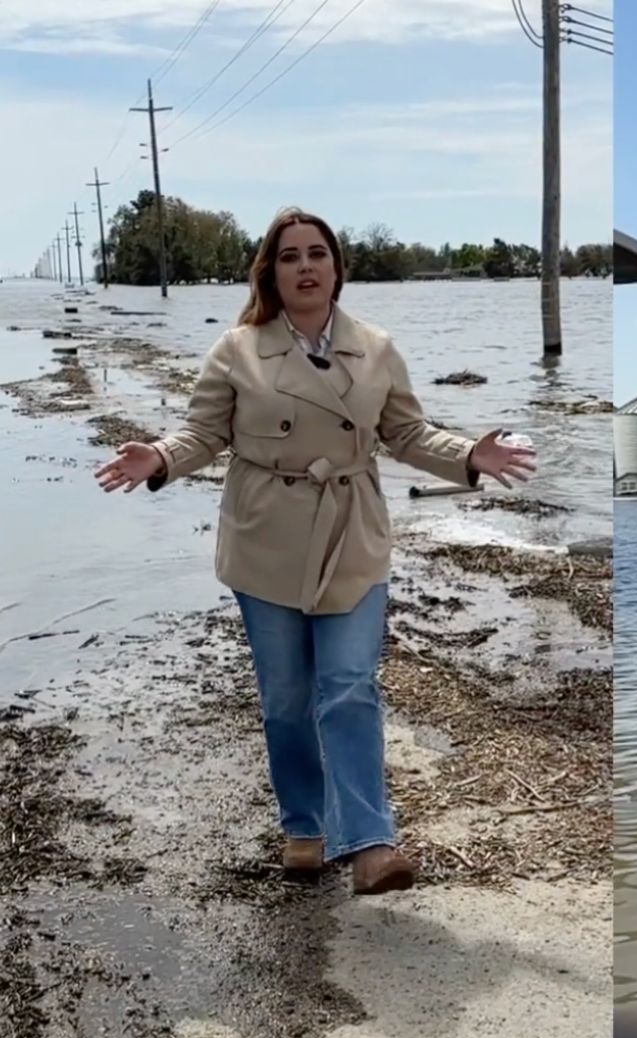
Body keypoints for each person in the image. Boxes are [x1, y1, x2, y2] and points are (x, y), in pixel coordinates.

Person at [93, 207, 536, 895]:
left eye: (317, 254)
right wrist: (157, 457)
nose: (305, 267)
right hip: (265, 533)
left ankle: (371, 843)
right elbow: (203, 435)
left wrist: (469, 454)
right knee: (287, 699)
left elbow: (408, 434)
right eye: (291, 255)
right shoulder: (237, 350)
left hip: (351, 533)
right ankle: (304, 823)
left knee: (349, 685)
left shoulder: (376, 347)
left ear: (337, 268)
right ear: (270, 270)